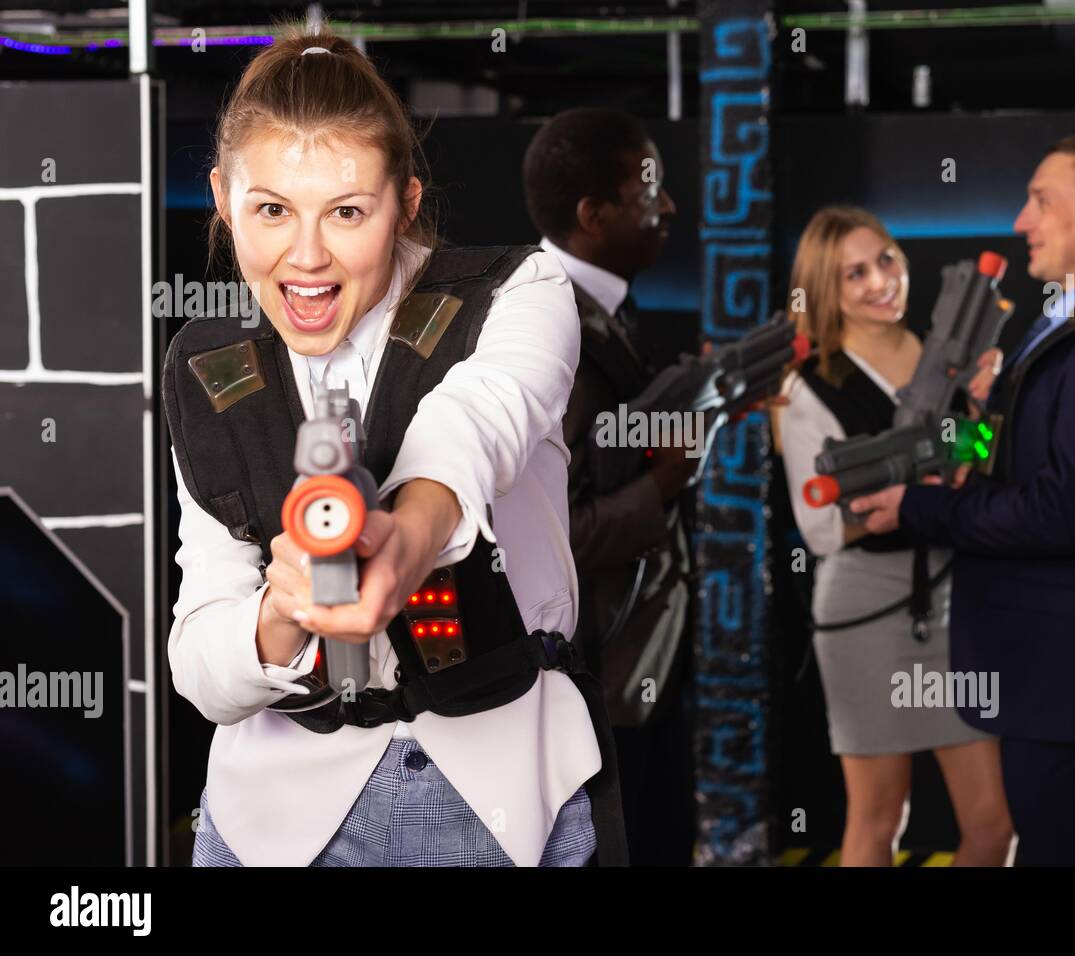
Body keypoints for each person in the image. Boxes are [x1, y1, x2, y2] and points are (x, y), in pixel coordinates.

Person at [163, 28, 625, 867]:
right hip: (272, 821)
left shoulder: (521, 292)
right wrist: (281, 615)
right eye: (271, 209)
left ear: (407, 202)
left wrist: (404, 539)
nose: (306, 258)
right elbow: (199, 667)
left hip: (499, 802)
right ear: (223, 201)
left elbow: (475, 425)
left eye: (346, 211)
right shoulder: (208, 367)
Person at [852, 133, 1075, 866]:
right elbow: (1027, 470)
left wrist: (917, 509)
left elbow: (1062, 511)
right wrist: (972, 443)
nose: (1019, 220)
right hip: (1056, 672)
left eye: (1041, 200)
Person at [775, 206, 1013, 866]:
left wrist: (986, 411)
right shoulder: (810, 384)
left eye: (886, 259)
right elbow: (820, 527)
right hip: (864, 610)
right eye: (855, 273)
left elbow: (981, 465)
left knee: (993, 825)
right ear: (827, 290)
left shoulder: (953, 358)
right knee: (879, 819)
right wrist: (899, 499)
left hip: (954, 597)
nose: (881, 280)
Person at [522, 107, 696, 865]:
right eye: (649, 188)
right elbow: (551, 531)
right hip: (591, 682)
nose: (669, 207)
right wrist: (662, 484)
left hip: (634, 675)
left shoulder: (603, 311)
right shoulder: (545, 331)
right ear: (593, 214)